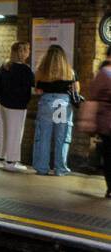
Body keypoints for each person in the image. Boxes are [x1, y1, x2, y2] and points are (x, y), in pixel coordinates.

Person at [31, 44, 78, 176]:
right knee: (61, 137)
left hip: (46, 103)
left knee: (44, 136)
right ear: (63, 57)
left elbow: (37, 89)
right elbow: (76, 89)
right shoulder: (70, 71)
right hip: (63, 104)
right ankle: (60, 168)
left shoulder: (41, 71)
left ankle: (42, 168)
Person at [0, 41, 34, 172]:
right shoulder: (25, 69)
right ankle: (11, 162)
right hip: (17, 106)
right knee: (15, 133)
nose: (28, 52)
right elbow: (33, 85)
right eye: (27, 49)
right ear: (22, 52)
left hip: (3, 103)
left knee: (3, 132)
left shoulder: (6, 66)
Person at [87, 49, 111, 198]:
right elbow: (93, 98)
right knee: (109, 156)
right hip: (107, 122)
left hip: (106, 122)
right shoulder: (103, 74)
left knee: (109, 156)